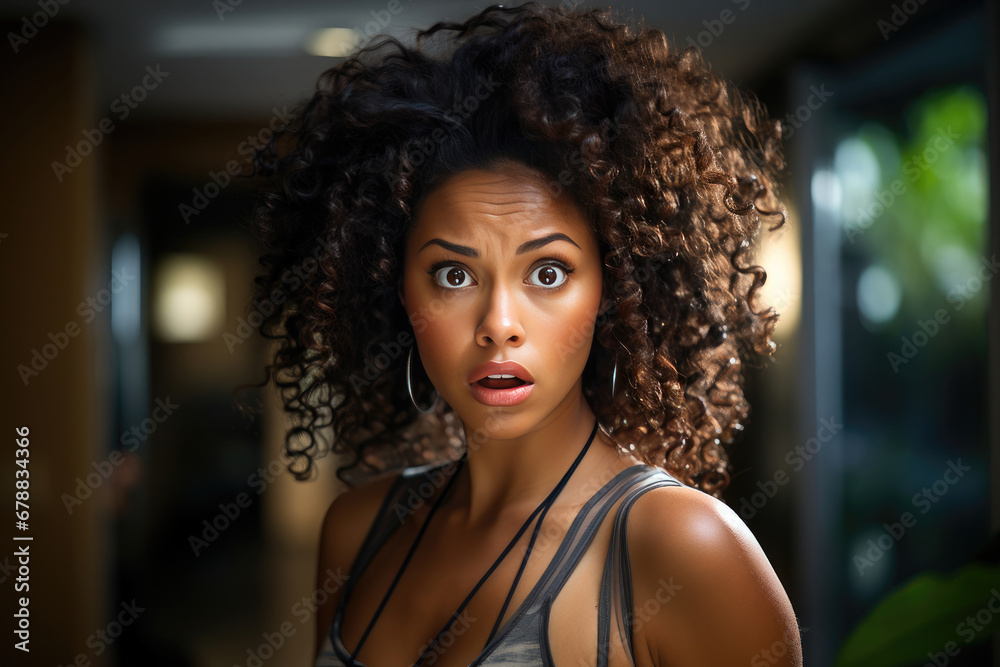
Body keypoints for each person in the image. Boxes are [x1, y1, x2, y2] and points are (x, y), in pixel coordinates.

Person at [247, 2, 801, 665]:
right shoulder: (357, 530)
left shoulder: (682, 550)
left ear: (614, 288)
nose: (498, 325)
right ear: (398, 292)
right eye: (453, 275)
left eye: (547, 271)